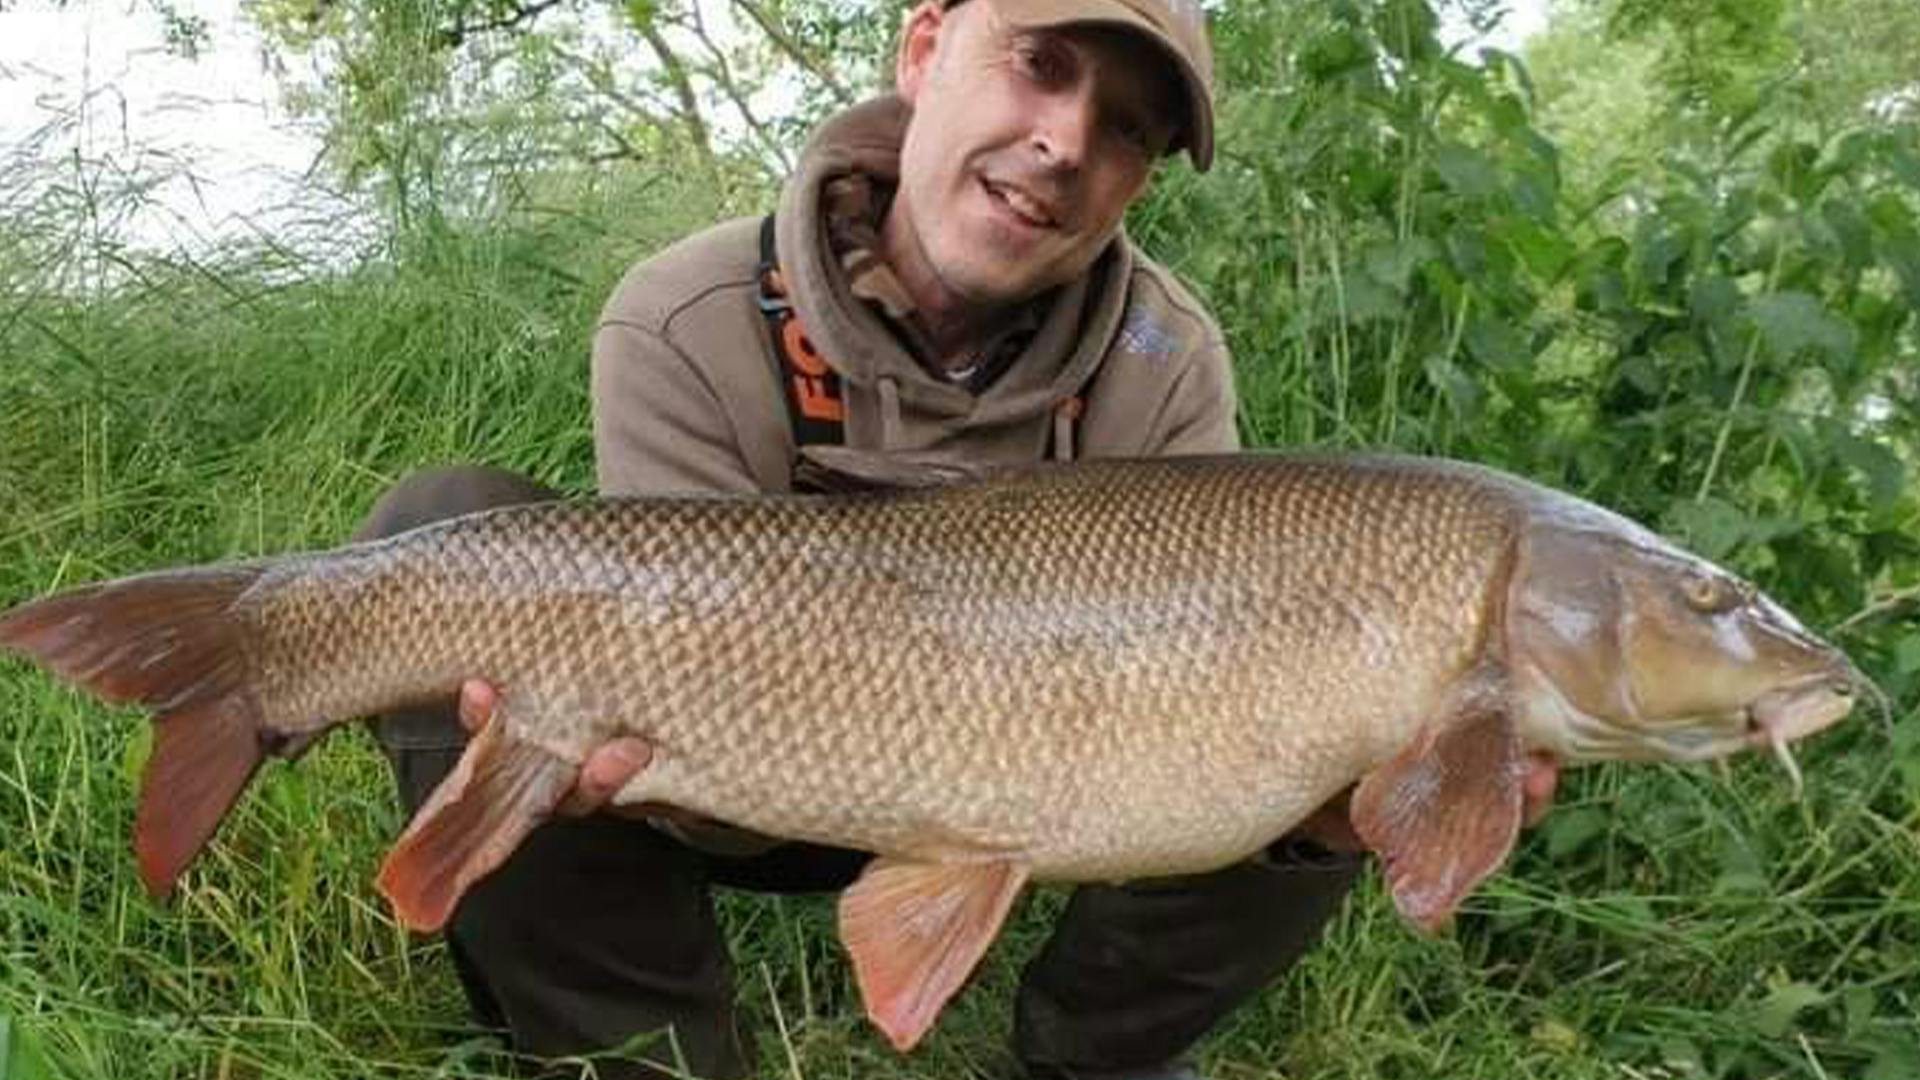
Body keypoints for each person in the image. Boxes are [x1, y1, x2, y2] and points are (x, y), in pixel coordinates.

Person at [356, 0, 1556, 1076]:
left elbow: (1211, 717)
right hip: (736, 767)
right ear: (925, 47)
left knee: (1346, 703)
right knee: (444, 532)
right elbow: (685, 725)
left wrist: (1326, 804)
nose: (1068, 141)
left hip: (1057, 776)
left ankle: (1097, 1052)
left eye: (1128, 129)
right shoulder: (690, 313)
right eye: (1040, 63)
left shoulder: (1167, 360)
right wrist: (606, 744)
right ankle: (640, 1049)